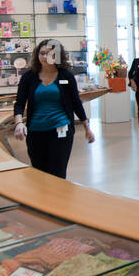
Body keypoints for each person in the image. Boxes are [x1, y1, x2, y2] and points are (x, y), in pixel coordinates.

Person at [13, 39, 94, 178]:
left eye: (50, 54)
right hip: (35, 131)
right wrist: (19, 123)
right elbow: (19, 103)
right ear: (37, 55)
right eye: (42, 53)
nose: (45, 57)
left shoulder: (66, 75)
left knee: (57, 174)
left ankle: (58, 200)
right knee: (39, 173)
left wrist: (86, 126)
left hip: (61, 130)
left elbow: (76, 102)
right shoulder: (29, 77)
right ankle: (40, 200)